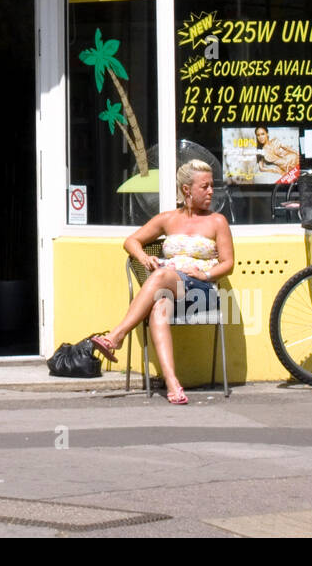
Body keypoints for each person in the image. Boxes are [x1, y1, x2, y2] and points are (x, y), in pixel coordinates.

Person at [89, 159, 234, 405]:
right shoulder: (168, 218)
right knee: (158, 307)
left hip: (201, 292)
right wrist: (145, 257)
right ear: (187, 189)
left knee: (162, 275)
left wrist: (206, 275)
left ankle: (116, 336)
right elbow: (131, 241)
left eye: (212, 186)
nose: (211, 191)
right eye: (205, 186)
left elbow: (228, 263)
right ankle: (173, 385)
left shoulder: (217, 221)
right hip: (171, 289)